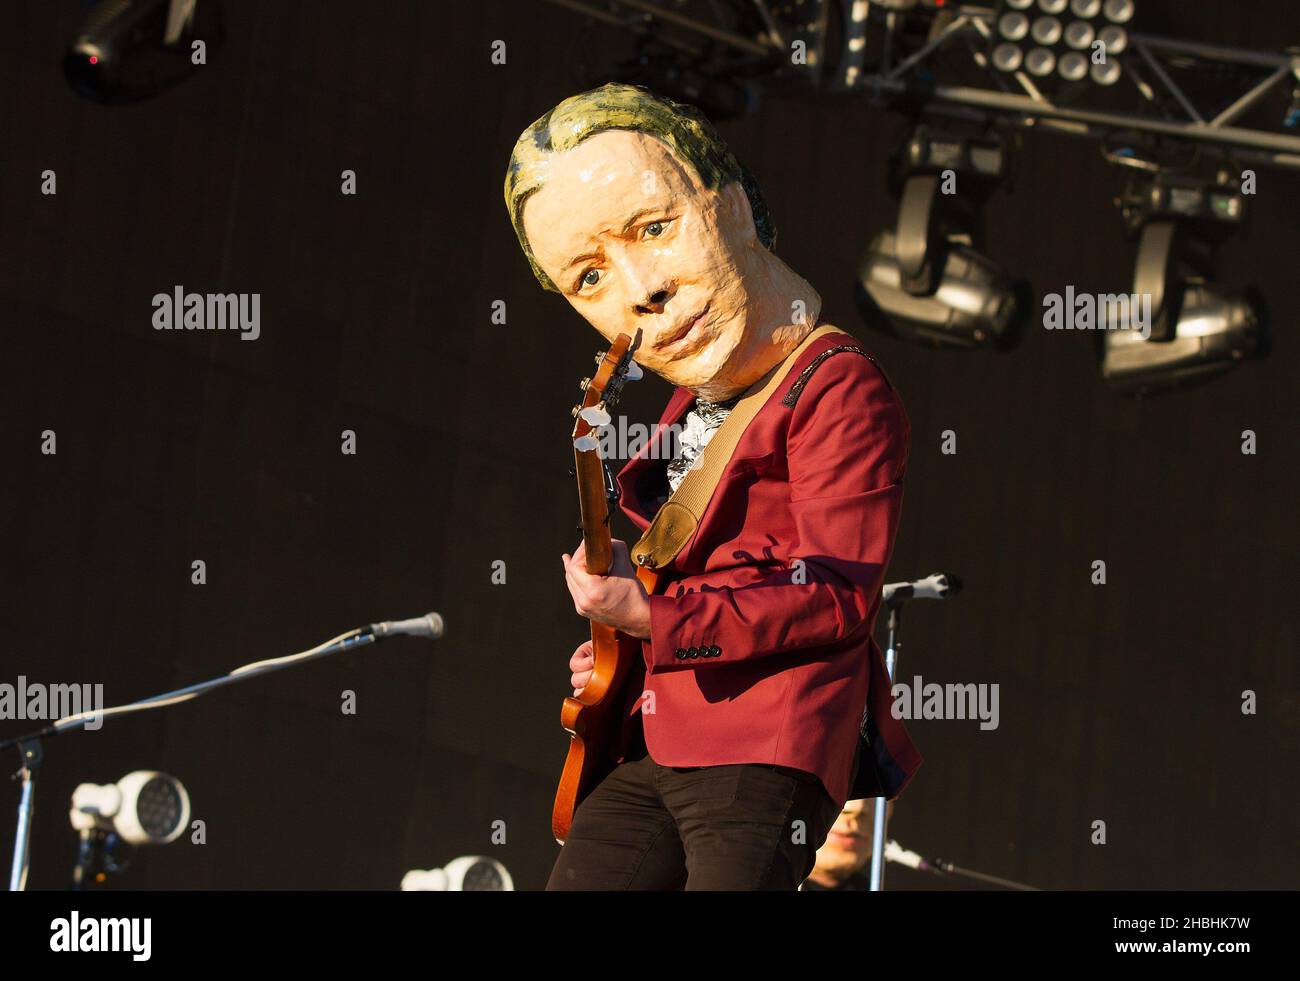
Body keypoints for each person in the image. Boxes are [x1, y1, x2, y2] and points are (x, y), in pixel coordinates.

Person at [504, 82, 920, 890]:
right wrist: (623, 642)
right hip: (651, 732)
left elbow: (838, 595)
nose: (640, 292)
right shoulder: (693, 409)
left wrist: (653, 615)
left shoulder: (837, 387)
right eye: (588, 281)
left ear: (731, 199)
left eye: (654, 228)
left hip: (767, 737)